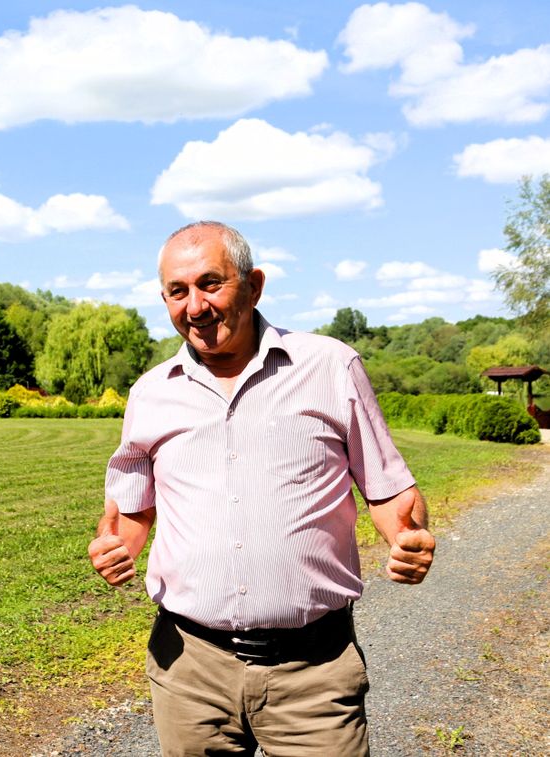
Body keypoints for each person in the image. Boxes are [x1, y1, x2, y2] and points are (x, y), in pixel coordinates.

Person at [89, 221, 436, 755]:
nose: (196, 306)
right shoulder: (151, 393)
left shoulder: (330, 366)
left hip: (313, 672)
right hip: (189, 669)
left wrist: (408, 538)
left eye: (211, 283)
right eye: (177, 292)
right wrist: (117, 547)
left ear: (254, 285)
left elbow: (388, 487)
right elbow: (131, 508)